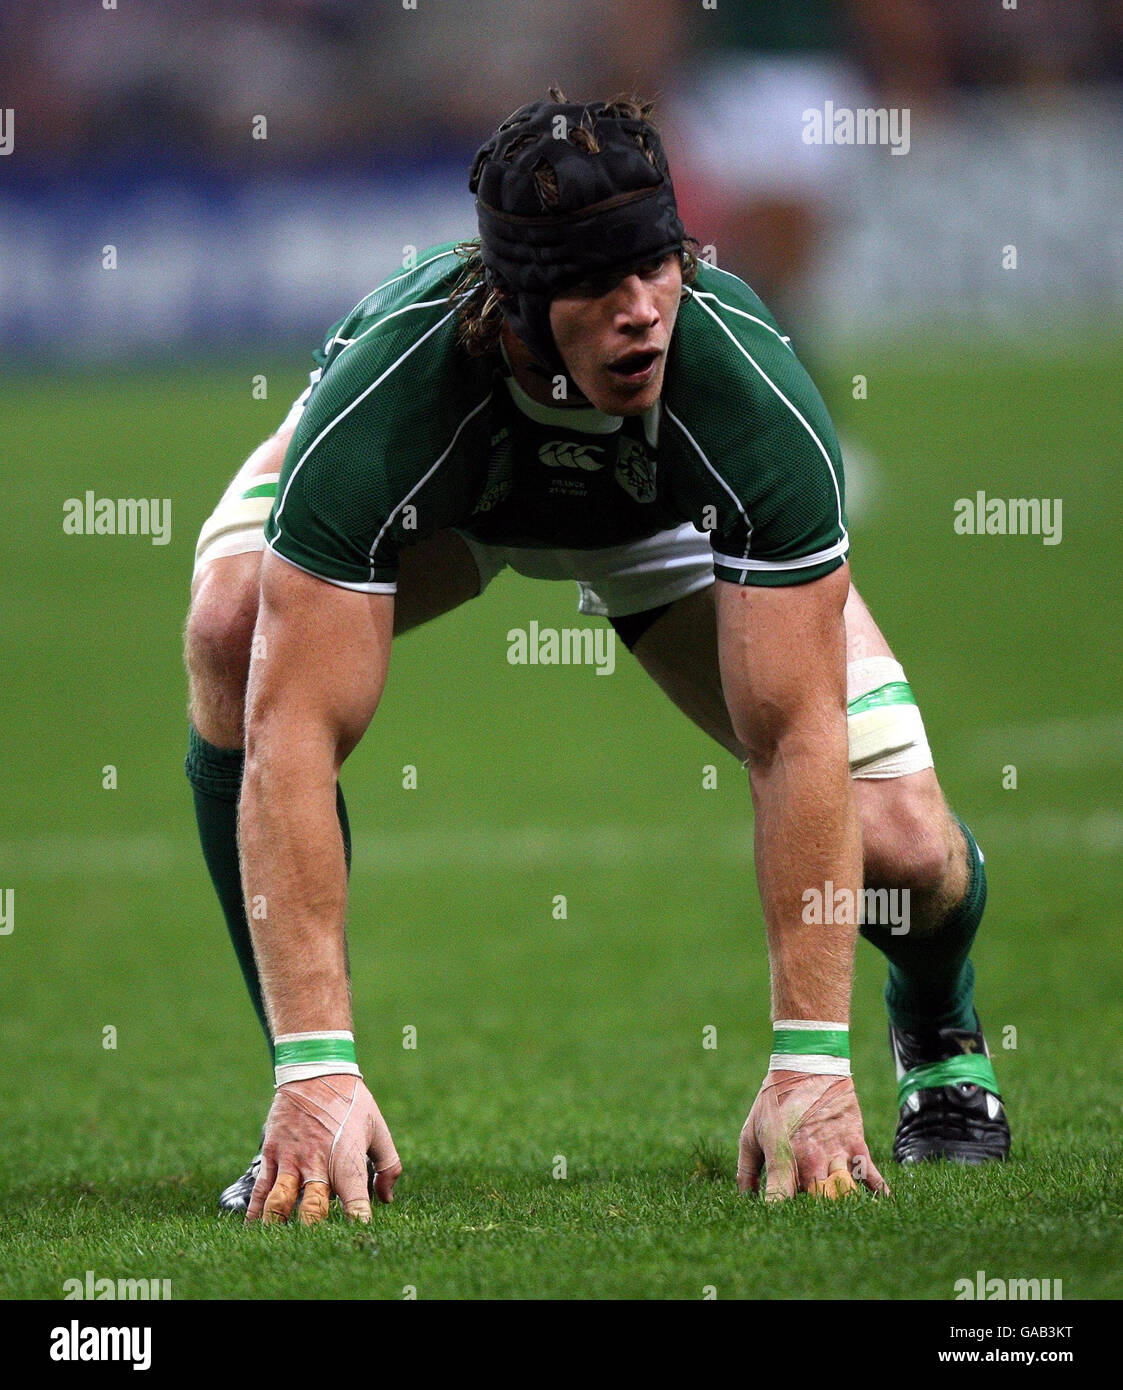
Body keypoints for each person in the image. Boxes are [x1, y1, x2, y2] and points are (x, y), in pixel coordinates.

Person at [184, 92, 1009, 1225]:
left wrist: (809, 1065)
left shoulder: (749, 394)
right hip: (447, 504)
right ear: (516, 303)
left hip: (660, 520)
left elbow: (795, 732)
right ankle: (306, 1092)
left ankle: (940, 1025)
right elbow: (297, 730)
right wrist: (315, 1064)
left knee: (906, 848)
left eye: (658, 268)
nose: (642, 314)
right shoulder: (387, 402)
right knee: (235, 633)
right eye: (597, 285)